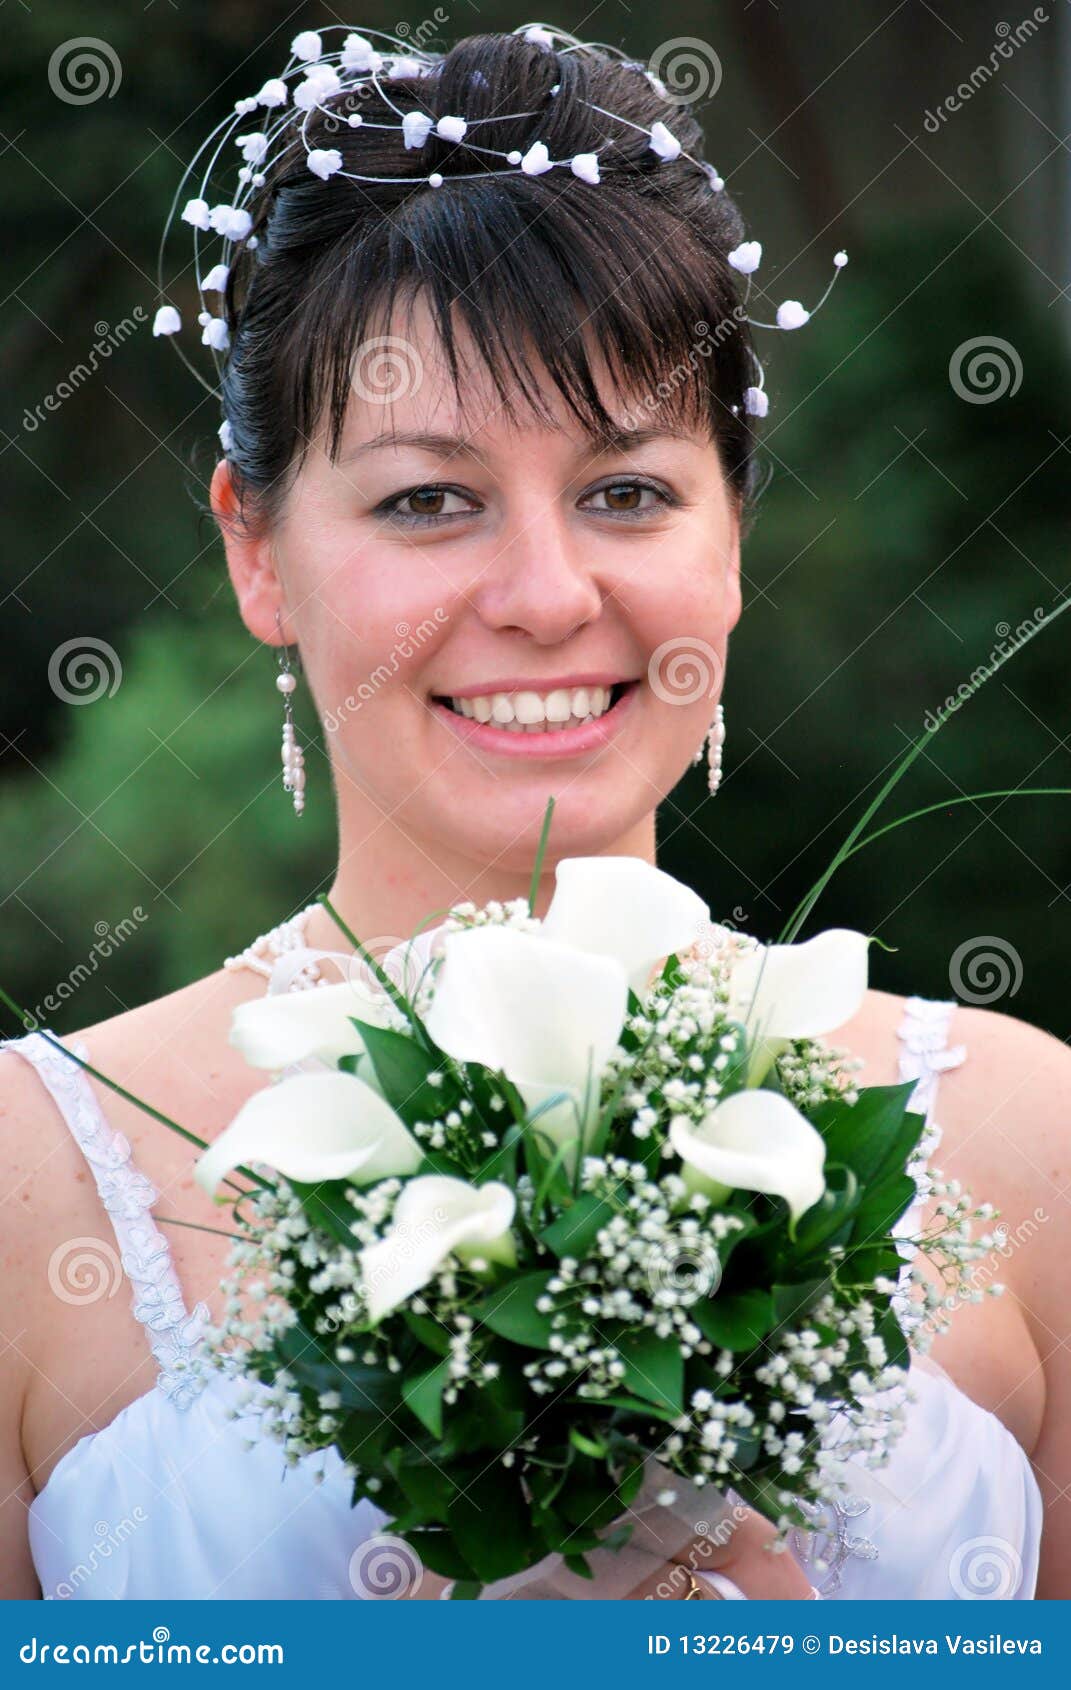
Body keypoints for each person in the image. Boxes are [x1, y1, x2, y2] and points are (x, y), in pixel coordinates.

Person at [0, 24, 1064, 1602]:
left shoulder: (1029, 1140)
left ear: (733, 533)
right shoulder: (36, 1183)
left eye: (627, 491)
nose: (549, 596)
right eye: (429, 498)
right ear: (257, 550)